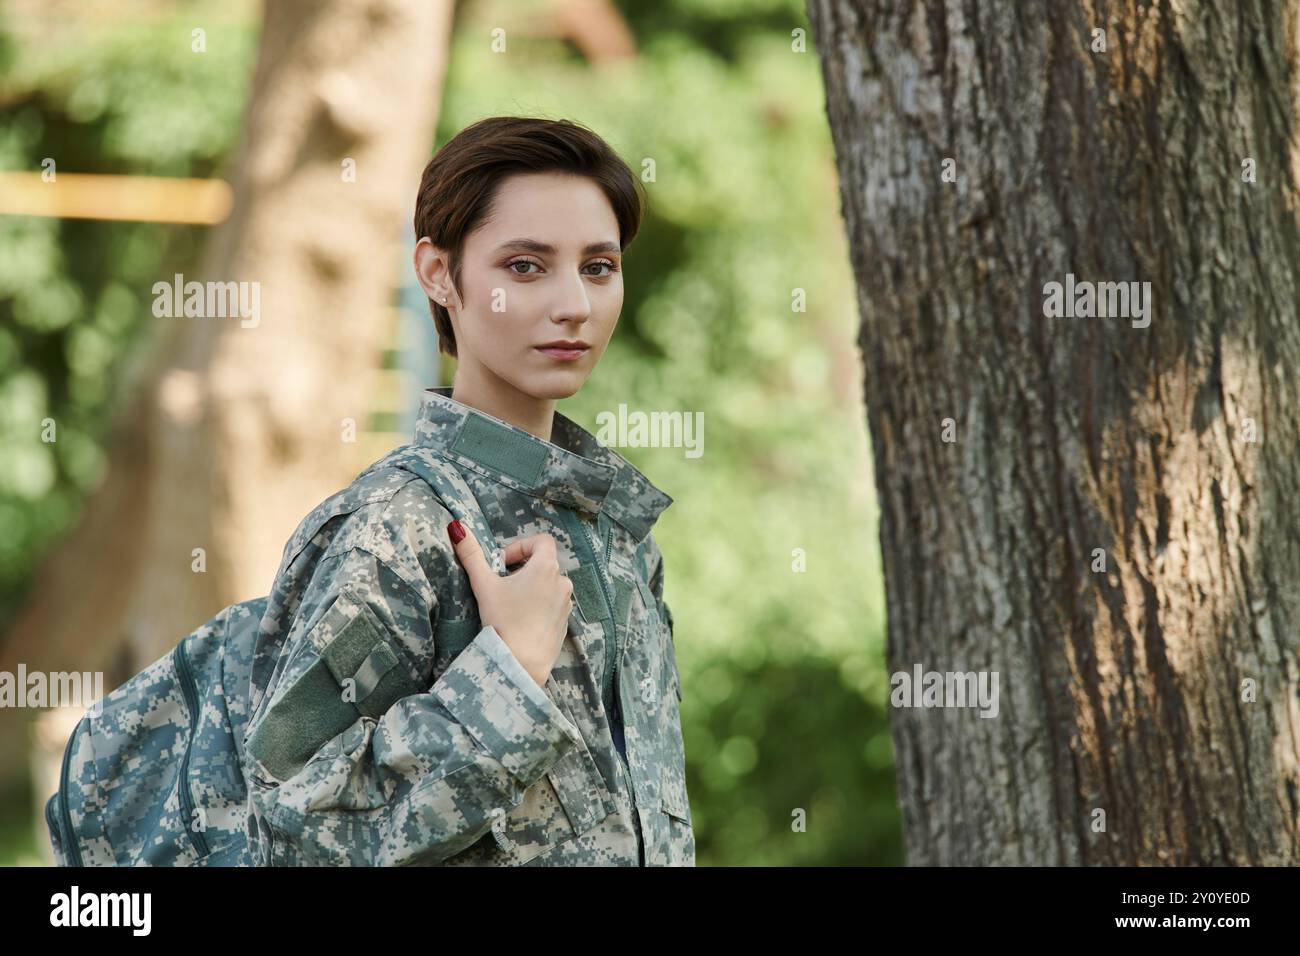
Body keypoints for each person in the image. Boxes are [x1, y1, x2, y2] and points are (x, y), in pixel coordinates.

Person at [241, 116, 692, 866]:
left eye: (599, 266)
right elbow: (296, 824)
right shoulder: (397, 527)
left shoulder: (617, 536)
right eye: (525, 266)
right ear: (439, 273)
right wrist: (507, 676)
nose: (574, 303)